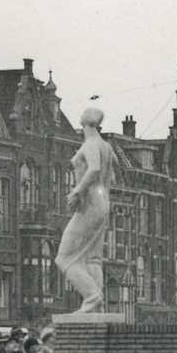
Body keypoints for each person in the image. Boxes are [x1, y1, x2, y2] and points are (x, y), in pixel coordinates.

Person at [53, 107, 112, 313]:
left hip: (90, 203)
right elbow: (110, 175)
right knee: (92, 258)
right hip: (103, 202)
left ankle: (92, 296)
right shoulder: (107, 146)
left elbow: (94, 168)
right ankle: (97, 308)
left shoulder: (90, 144)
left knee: (64, 257)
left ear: (85, 120)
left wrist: (78, 191)